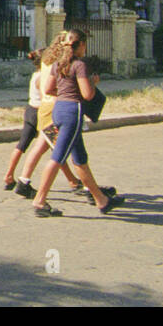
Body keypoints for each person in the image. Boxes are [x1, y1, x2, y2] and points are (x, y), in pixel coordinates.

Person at [31, 29, 123, 217]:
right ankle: (39, 201)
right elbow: (87, 94)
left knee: (80, 158)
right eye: (85, 44)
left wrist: (64, 94)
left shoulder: (58, 64)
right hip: (73, 113)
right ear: (80, 45)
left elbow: (47, 88)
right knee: (58, 158)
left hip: (59, 110)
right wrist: (93, 83)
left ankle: (101, 200)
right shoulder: (80, 65)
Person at [5, 48, 80, 193]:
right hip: (42, 112)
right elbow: (46, 93)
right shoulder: (45, 75)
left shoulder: (36, 74)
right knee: (57, 148)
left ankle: (11, 176)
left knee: (25, 146)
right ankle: (72, 181)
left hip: (31, 111)